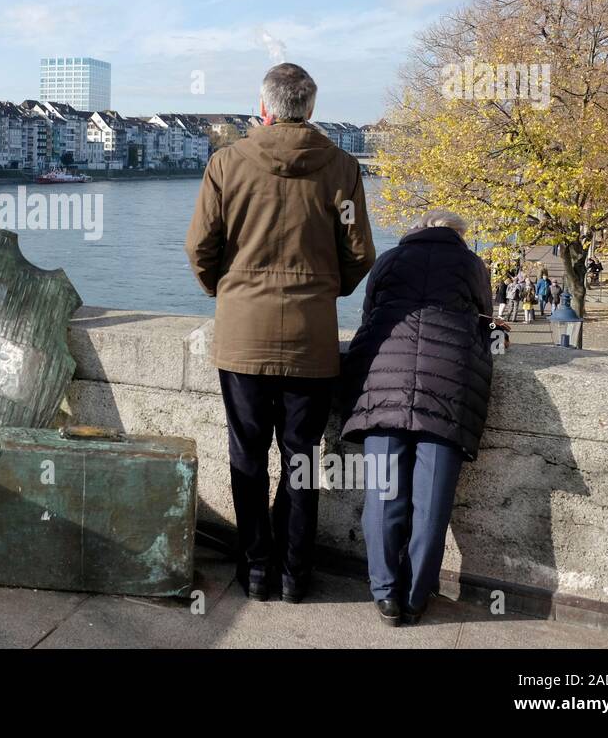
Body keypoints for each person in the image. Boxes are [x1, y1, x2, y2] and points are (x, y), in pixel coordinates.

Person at [186, 62, 375, 604]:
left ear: (264, 108)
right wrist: (323, 291)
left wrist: (230, 291)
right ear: (309, 108)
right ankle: (295, 574)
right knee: (303, 457)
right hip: (311, 341)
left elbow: (201, 248)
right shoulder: (341, 168)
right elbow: (359, 251)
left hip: (243, 335)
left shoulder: (227, 163)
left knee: (247, 456)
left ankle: (257, 569)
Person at [342, 209, 494, 627]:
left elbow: (369, 313)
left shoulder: (389, 259)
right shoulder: (472, 264)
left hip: (383, 385)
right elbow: (485, 316)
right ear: (458, 234)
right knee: (431, 501)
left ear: (418, 229)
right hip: (448, 387)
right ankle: (415, 597)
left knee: (382, 494)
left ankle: (385, 594)